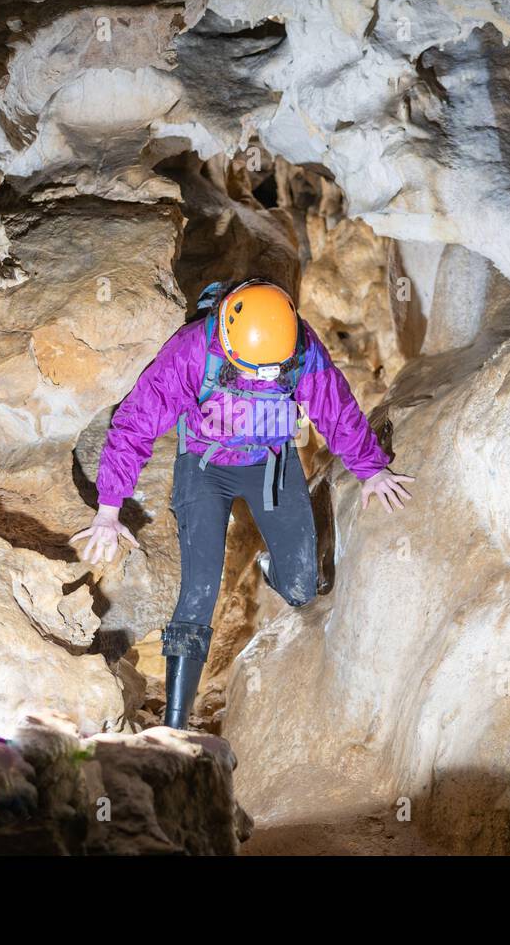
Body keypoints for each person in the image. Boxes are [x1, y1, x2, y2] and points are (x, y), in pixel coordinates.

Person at [71, 278, 414, 728]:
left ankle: (274, 568)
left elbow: (336, 407)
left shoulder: (300, 347)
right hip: (204, 465)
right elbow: (135, 422)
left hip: (271, 462)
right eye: (251, 370)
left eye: (268, 372)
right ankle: (176, 724)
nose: (258, 379)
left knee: (302, 587)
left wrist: (371, 468)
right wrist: (109, 508)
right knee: (198, 593)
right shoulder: (193, 350)